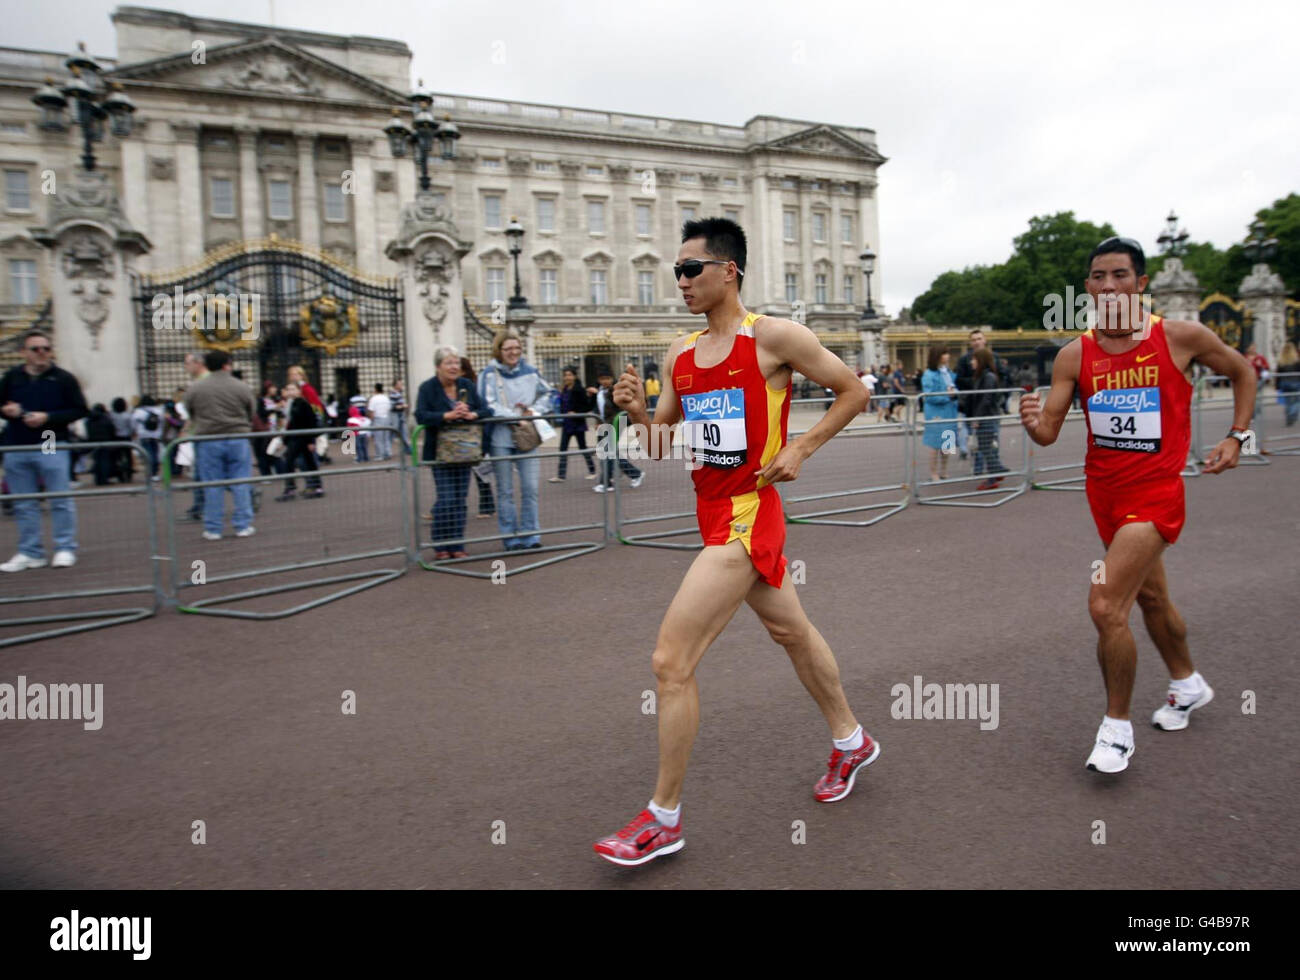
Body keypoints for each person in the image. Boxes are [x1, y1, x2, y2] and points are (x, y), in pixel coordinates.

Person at [593, 217, 877, 866]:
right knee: (792, 634)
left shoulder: (774, 337)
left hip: (751, 515)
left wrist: (802, 446)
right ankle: (851, 738)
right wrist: (636, 413)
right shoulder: (680, 354)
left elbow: (853, 390)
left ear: (730, 272)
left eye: (692, 268)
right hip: (710, 511)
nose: (682, 281)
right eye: (677, 271)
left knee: (670, 661)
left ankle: (663, 818)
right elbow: (665, 445)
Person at [1019, 235, 1257, 774]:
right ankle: (1188, 683)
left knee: (1105, 606)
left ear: (1141, 283)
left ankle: (1116, 730)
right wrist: (1034, 422)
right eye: (1098, 277)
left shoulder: (1180, 337)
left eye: (1120, 275)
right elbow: (1050, 434)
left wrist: (1237, 437)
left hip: (1156, 496)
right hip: (1104, 496)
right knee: (1150, 599)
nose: (1109, 285)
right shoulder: (1075, 355)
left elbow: (1243, 371)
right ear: (1087, 287)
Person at [0, 329, 88, 572]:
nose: (42, 353)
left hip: (50, 436)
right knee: (23, 501)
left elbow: (80, 409)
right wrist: (7, 411)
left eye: (46, 348)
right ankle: (30, 551)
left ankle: (64, 547)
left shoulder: (63, 378)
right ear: (23, 352)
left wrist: (47, 417)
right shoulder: (11, 377)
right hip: (17, 441)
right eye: (36, 349)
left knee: (59, 496)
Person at [478, 331, 552, 551]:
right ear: (499, 351)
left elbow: (548, 394)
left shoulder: (531, 371)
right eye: (508, 349)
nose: (513, 353)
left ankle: (531, 535)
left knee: (530, 488)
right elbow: (487, 403)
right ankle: (510, 538)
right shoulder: (489, 374)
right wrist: (512, 417)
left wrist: (532, 411)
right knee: (505, 490)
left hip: (526, 435)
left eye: (516, 348)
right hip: (500, 437)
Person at [416, 346, 492, 559]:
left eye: (456, 363)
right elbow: (421, 415)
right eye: (449, 363)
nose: (454, 367)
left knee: (460, 498)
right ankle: (441, 545)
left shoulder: (466, 385)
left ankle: (457, 544)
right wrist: (447, 415)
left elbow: (487, 410)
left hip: (465, 451)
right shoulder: (427, 388)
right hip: (441, 452)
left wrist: (472, 414)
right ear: (438, 366)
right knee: (447, 497)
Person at [184, 350, 258, 540]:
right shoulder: (240, 386)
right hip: (237, 437)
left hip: (208, 439)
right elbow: (251, 410)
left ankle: (213, 528)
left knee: (212, 484)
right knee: (240, 481)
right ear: (227, 364)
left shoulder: (196, 388)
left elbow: (190, 412)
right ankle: (242, 525)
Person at [593, 365, 643, 493]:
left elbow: (620, 408)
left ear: (612, 378)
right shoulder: (599, 391)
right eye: (602, 378)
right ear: (599, 379)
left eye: (608, 378)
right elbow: (598, 408)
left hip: (613, 425)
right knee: (609, 454)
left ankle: (606, 482)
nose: (605, 381)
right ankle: (635, 474)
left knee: (608, 453)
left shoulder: (615, 390)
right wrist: (598, 421)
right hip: (603, 425)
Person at [276, 380, 325, 501]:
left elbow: (310, 422)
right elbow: (289, 423)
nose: (290, 392)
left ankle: (291, 489)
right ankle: (316, 486)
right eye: (289, 389)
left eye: (293, 389)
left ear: (299, 391)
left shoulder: (303, 403)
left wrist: (310, 441)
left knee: (290, 462)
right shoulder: (291, 403)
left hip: (301, 438)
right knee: (308, 462)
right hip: (295, 438)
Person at [969, 347, 1010, 489]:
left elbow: (985, 400)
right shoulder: (983, 376)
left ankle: (996, 473)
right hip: (986, 416)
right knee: (986, 447)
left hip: (987, 417)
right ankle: (997, 470)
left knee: (985, 447)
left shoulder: (988, 377)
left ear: (980, 361)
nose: (971, 362)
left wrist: (977, 419)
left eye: (974, 359)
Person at [460, 357, 495, 519]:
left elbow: (484, 409)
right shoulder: (471, 383)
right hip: (471, 435)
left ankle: (486, 507)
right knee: (479, 473)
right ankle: (487, 506)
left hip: (472, 435)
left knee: (476, 472)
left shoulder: (468, 387)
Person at [550, 365, 598, 482]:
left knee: (582, 448)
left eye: (570, 375)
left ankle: (592, 471)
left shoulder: (579, 390)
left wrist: (576, 412)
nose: (567, 377)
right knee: (563, 448)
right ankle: (561, 475)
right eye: (565, 375)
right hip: (567, 424)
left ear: (575, 376)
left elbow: (586, 407)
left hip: (577, 423)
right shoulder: (565, 389)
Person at [921, 346, 959, 482]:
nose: (947, 356)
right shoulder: (929, 374)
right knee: (935, 444)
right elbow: (929, 395)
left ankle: (944, 470)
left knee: (947, 443)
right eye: (944, 353)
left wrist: (955, 394)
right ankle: (933, 472)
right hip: (936, 412)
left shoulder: (948, 372)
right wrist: (948, 396)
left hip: (950, 411)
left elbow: (956, 388)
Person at [132, 394, 165, 480]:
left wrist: (135, 432)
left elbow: (134, 423)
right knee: (155, 453)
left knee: (147, 454)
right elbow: (162, 423)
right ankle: (155, 473)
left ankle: (149, 472)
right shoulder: (158, 411)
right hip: (156, 435)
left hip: (143, 435)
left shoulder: (138, 411)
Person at [368, 382, 394, 460]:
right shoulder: (386, 398)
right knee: (386, 437)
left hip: (378, 419)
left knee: (378, 438)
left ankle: (380, 455)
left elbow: (371, 411)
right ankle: (388, 453)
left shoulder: (373, 398)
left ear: (375, 389)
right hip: (386, 418)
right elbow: (389, 408)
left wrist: (371, 421)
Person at [1276, 341, 1300, 427]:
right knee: (1297, 401)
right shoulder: (1296, 361)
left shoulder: (1281, 361)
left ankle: (1288, 416)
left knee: (1288, 401)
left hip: (1284, 383)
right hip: (1295, 383)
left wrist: (1277, 386)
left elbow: (1278, 375)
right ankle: (1292, 414)